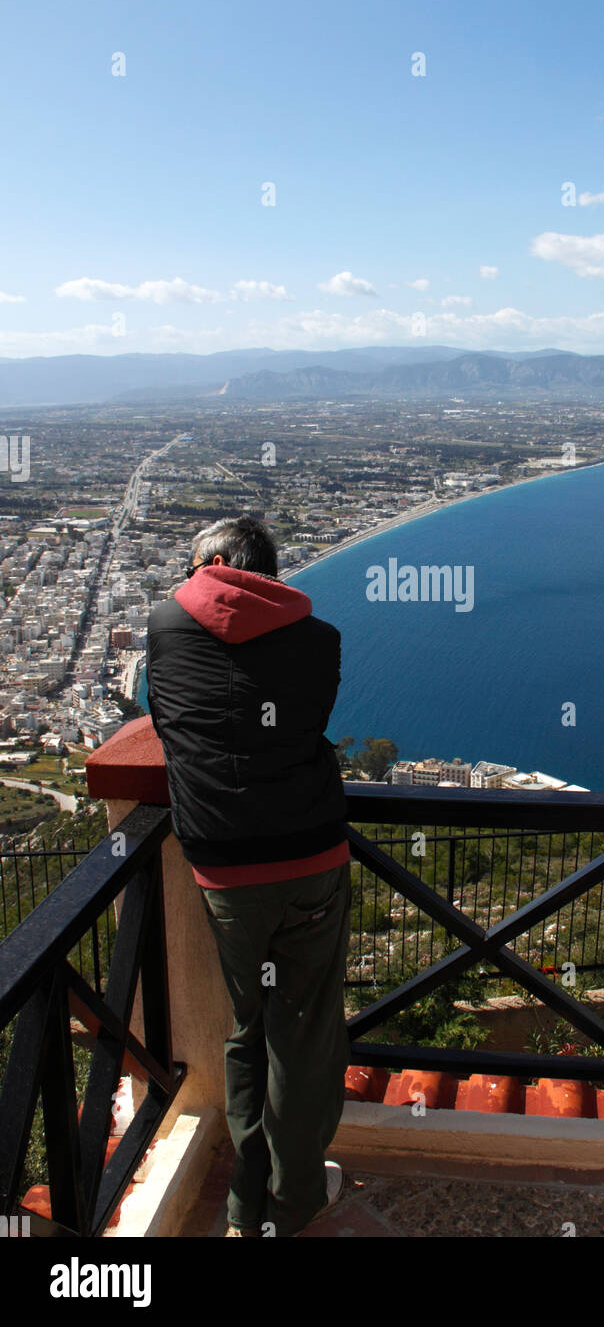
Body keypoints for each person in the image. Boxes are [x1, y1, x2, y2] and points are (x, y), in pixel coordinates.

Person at [145, 514, 351, 1237]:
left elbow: (168, 721)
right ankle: (295, 1201)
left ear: (222, 560)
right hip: (311, 857)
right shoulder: (320, 638)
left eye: (194, 560)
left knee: (245, 1027)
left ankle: (242, 1206)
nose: (188, 572)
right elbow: (307, 723)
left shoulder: (166, 626)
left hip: (225, 867)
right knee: (305, 1031)